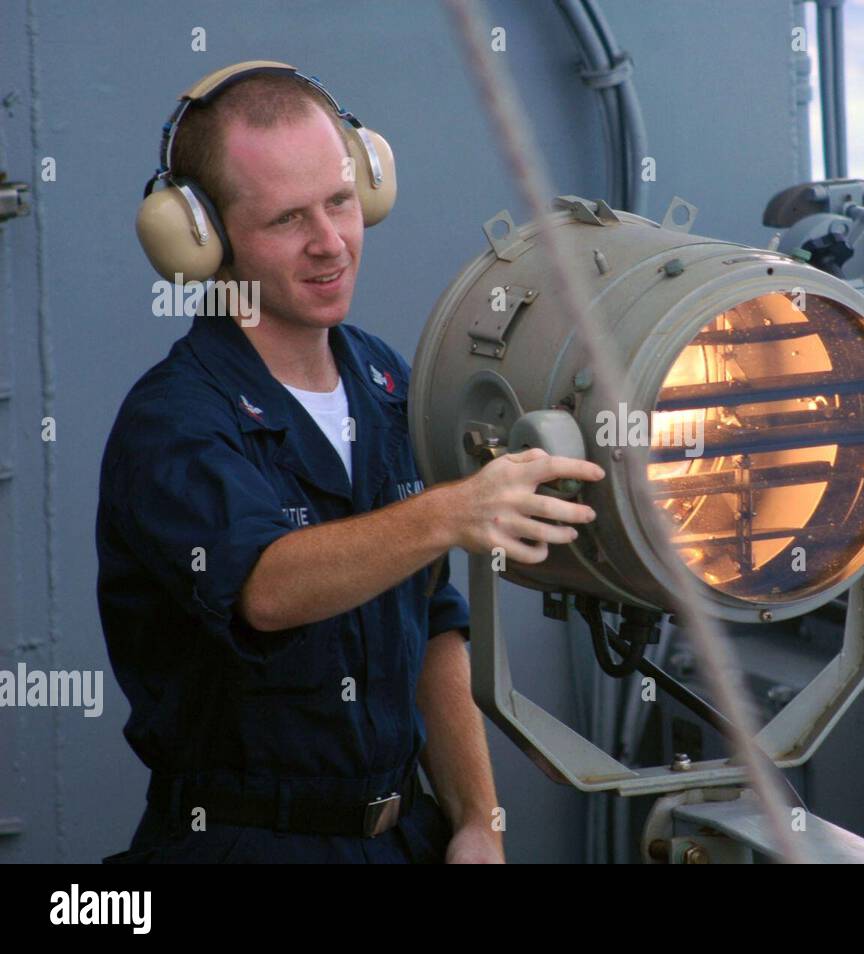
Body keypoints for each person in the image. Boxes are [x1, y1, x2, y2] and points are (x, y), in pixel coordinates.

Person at [97, 62, 603, 863]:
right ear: (207, 241)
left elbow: (434, 622)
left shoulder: (388, 382)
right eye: (286, 220)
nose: (330, 243)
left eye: (340, 202)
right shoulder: (173, 421)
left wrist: (477, 818)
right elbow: (266, 588)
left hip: (403, 836)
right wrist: (452, 511)